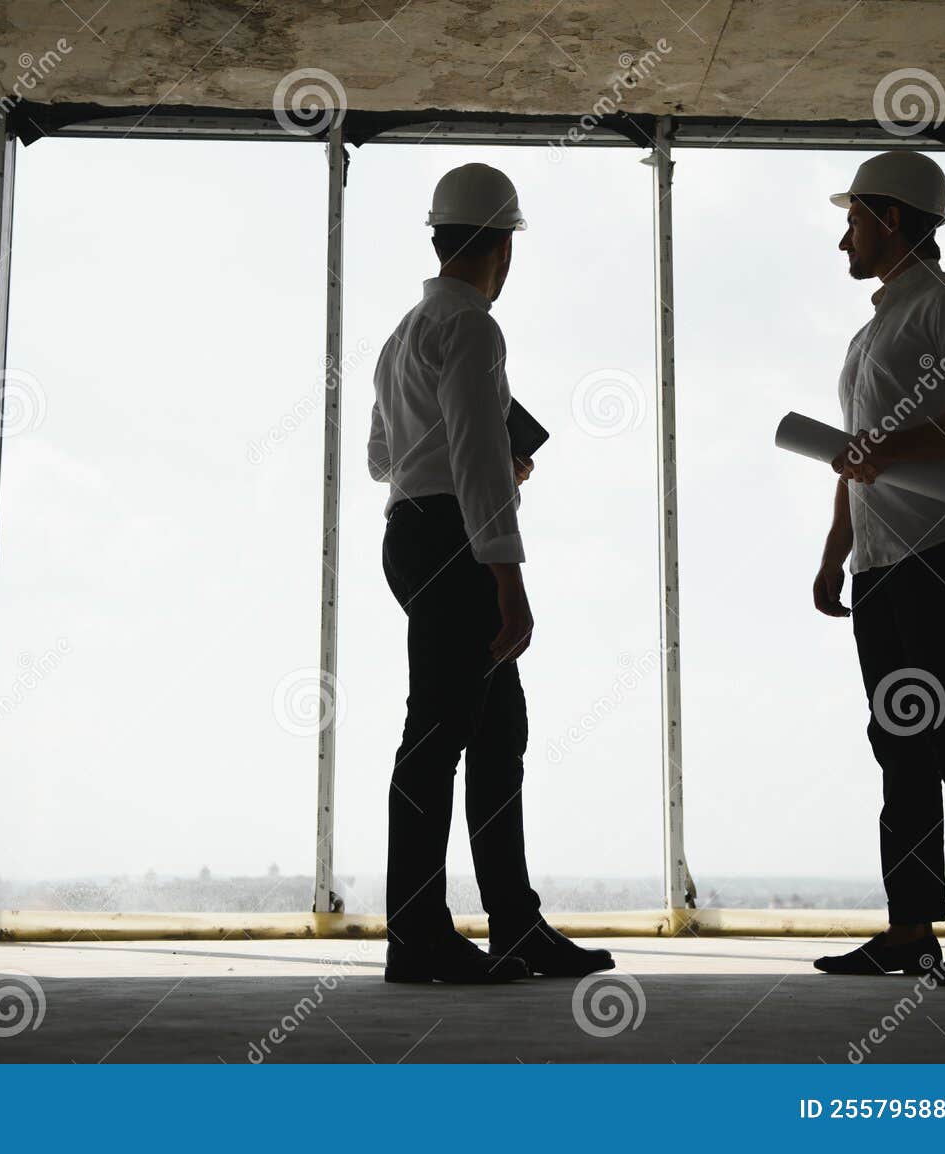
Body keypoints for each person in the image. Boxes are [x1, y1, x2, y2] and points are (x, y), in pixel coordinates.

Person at [366, 162, 614, 984]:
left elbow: (380, 458)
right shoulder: (474, 329)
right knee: (439, 737)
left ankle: (512, 924)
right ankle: (420, 937)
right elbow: (474, 459)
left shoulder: (403, 331)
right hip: (454, 542)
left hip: (412, 531)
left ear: (441, 239)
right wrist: (509, 576)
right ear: (502, 247)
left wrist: (483, 464)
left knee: (493, 732)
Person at [811, 151, 945, 986]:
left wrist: (888, 447)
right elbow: (854, 458)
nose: (845, 239)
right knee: (898, 736)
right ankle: (910, 931)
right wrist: (836, 553)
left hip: (938, 547)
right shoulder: (870, 333)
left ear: (891, 219)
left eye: (854, 220)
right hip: (880, 559)